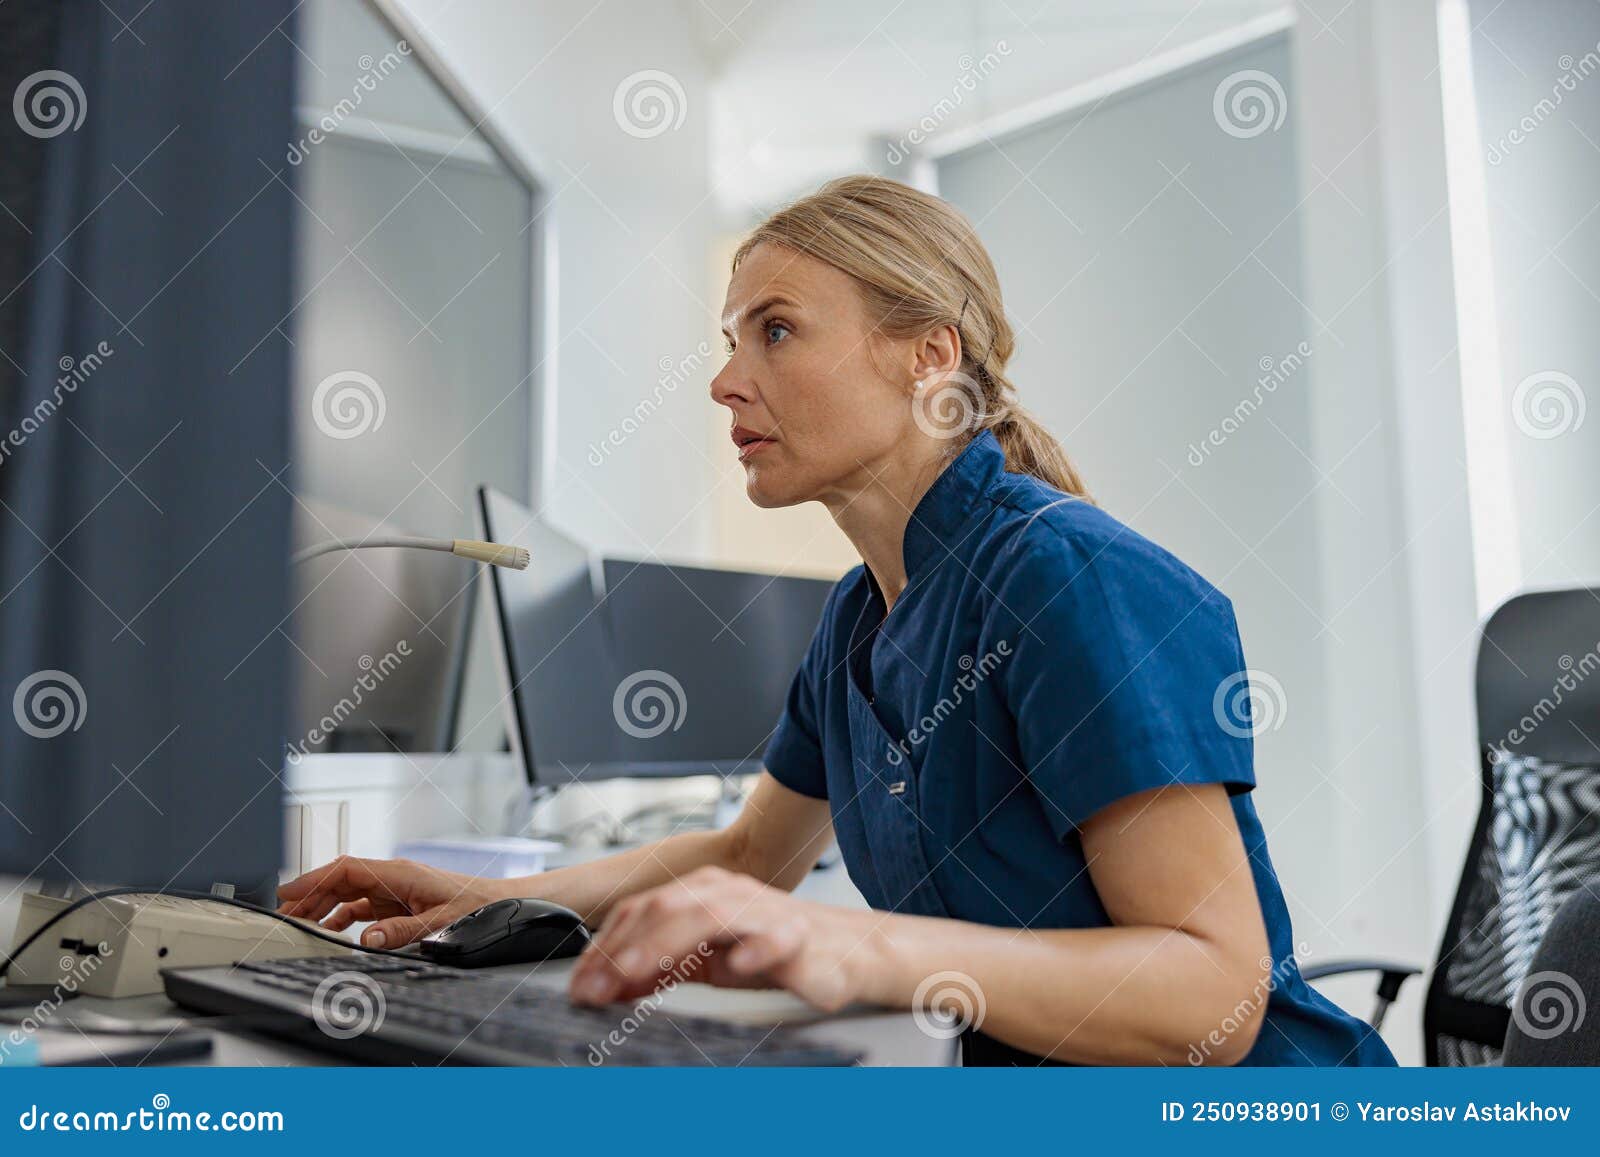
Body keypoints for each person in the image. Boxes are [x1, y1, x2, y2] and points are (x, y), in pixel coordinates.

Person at [280, 175, 1394, 1066]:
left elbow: (1212, 997)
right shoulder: (861, 616)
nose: (724, 381)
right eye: (728, 339)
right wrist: (487, 898)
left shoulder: (1073, 580)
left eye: (774, 330)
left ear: (929, 355)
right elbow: (747, 852)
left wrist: (852, 941)